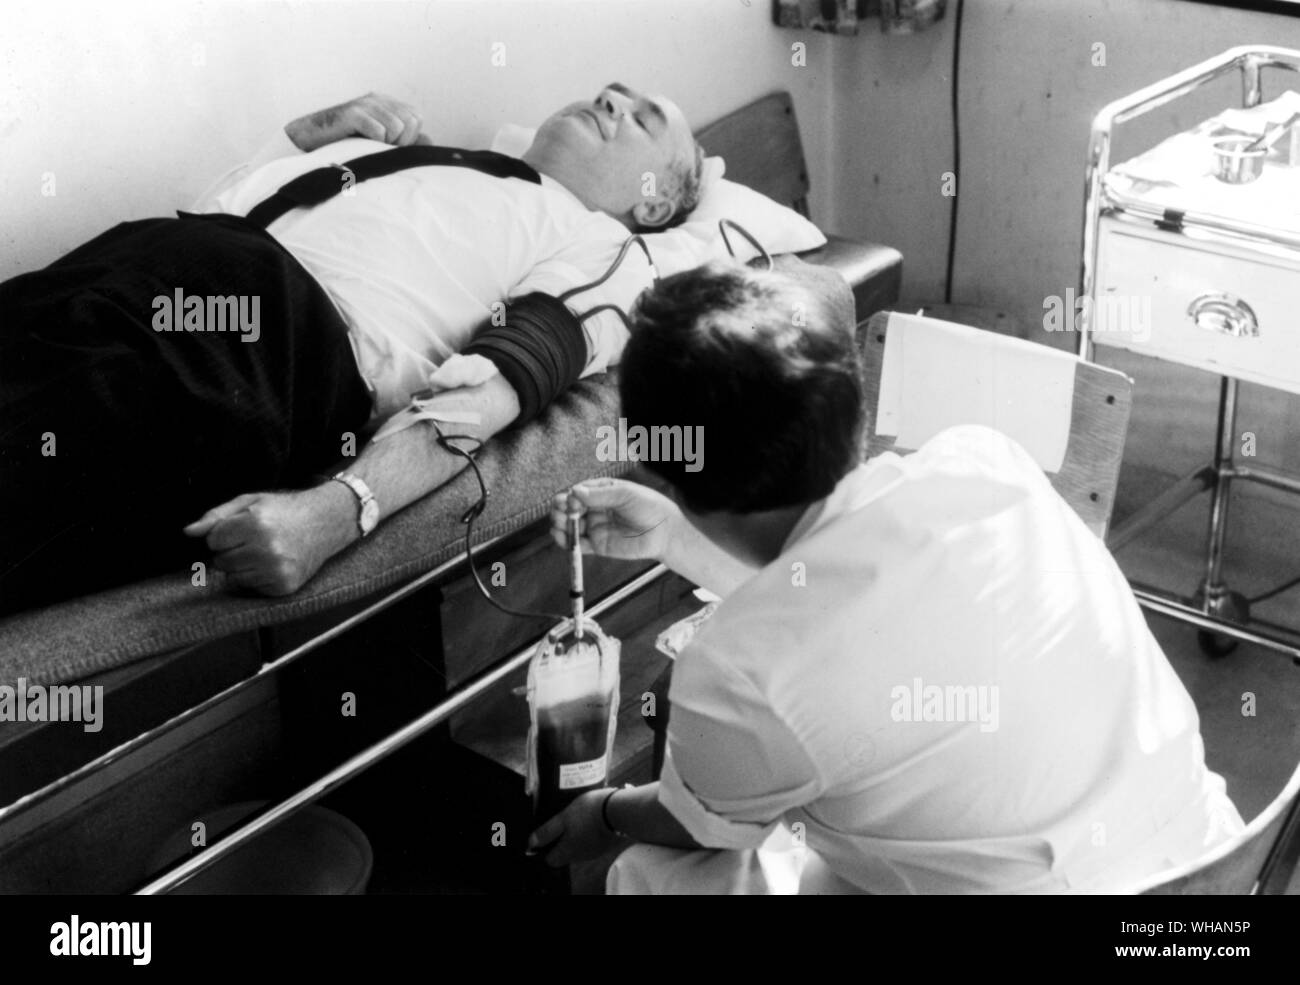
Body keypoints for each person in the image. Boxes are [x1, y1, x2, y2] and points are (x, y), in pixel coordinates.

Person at [528, 260, 1245, 894]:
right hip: (1218, 877)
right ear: (852, 397)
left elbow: (702, 822)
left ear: (680, 479)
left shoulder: (735, 675)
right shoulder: (986, 462)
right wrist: (675, 540)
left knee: (651, 874)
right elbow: (835, 613)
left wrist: (605, 813)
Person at [0, 85, 701, 615]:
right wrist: (308, 138)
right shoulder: (442, 158)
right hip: (145, 253)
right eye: (615, 91)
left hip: (260, 338)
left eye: (643, 120)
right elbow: (253, 207)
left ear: (655, 206)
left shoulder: (605, 249)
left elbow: (489, 395)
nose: (612, 99)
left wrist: (340, 511)